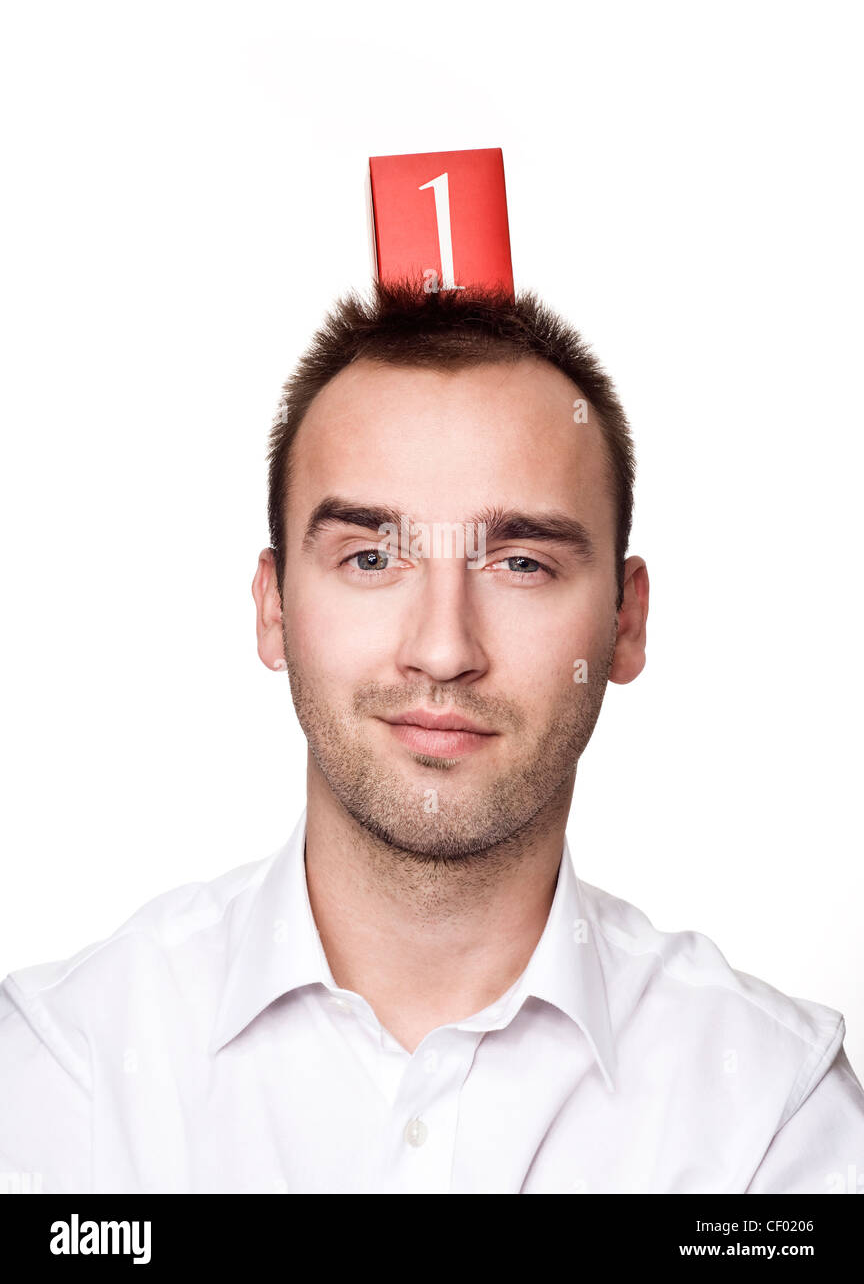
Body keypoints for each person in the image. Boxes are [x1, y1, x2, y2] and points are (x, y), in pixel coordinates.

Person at [2, 281, 862, 1195]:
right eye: (372, 558)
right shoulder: (70, 1072)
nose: (444, 650)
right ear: (272, 608)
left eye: (520, 562)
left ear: (625, 620)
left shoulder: (772, 1115)